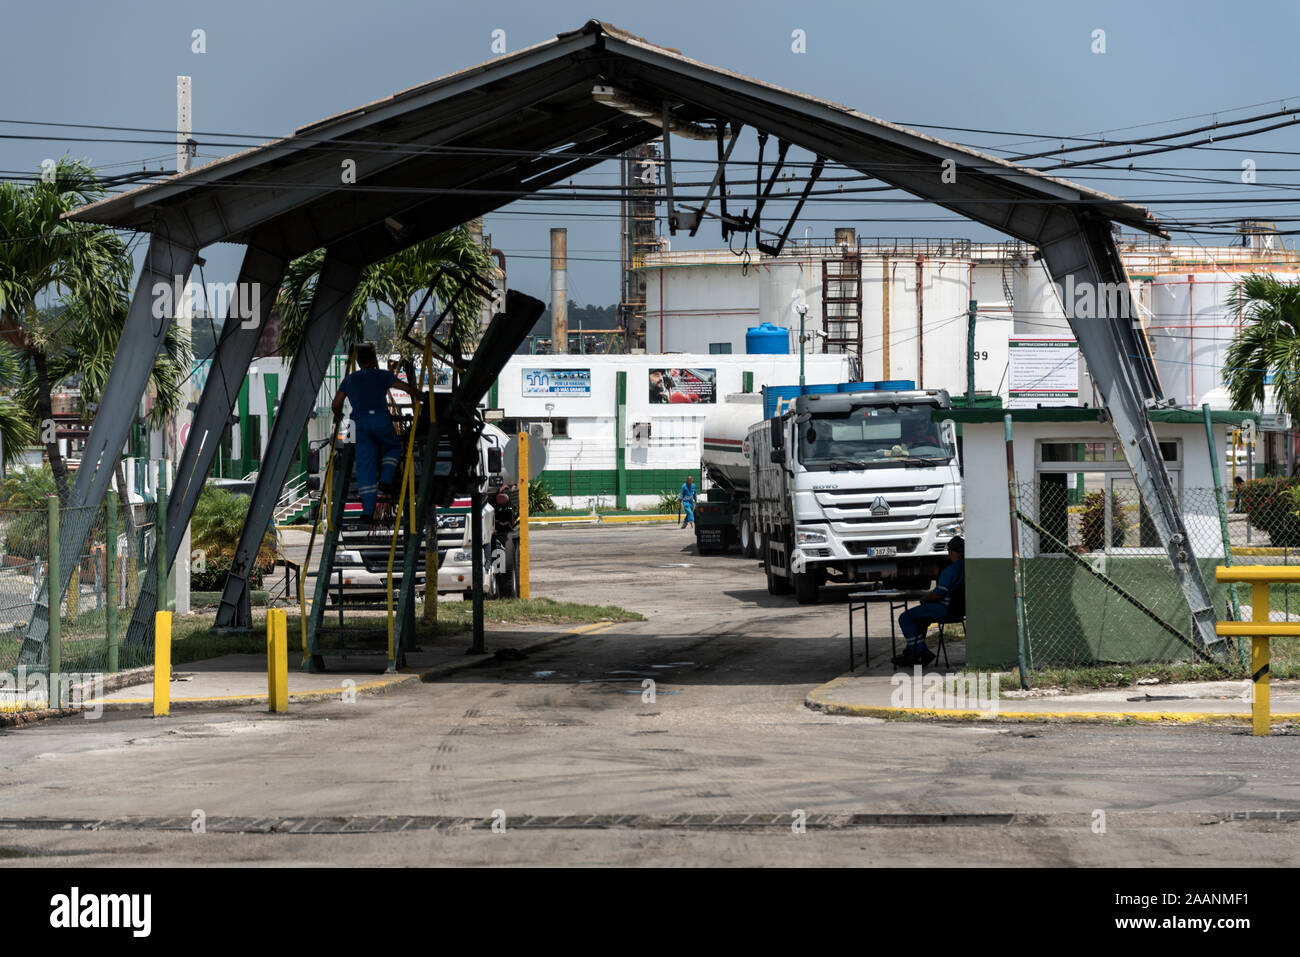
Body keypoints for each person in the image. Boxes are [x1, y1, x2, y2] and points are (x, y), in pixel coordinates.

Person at [331, 343, 422, 521]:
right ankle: (386, 479)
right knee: (393, 447)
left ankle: (367, 511)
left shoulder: (350, 380)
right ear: (373, 360)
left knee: (365, 465)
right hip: (380, 419)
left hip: (358, 424)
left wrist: (339, 414)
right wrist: (424, 397)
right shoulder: (382, 376)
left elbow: (336, 404)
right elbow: (406, 388)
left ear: (358, 361)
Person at [893, 536, 964, 668]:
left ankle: (921, 651)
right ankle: (912, 652)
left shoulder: (951, 570)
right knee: (920, 619)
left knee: (905, 617)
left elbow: (938, 594)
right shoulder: (967, 566)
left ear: (951, 552)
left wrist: (924, 599)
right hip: (959, 610)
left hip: (945, 609)